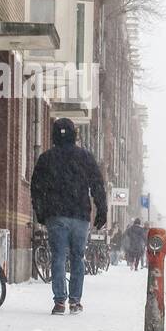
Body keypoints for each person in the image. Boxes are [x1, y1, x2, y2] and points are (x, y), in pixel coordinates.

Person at [30, 118, 107, 315]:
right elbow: (97, 183)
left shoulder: (46, 158)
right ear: (75, 135)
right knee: (77, 257)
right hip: (80, 214)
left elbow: (36, 187)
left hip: (56, 215)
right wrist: (101, 209)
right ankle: (75, 300)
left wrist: (41, 211)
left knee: (58, 256)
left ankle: (59, 301)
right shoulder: (85, 157)